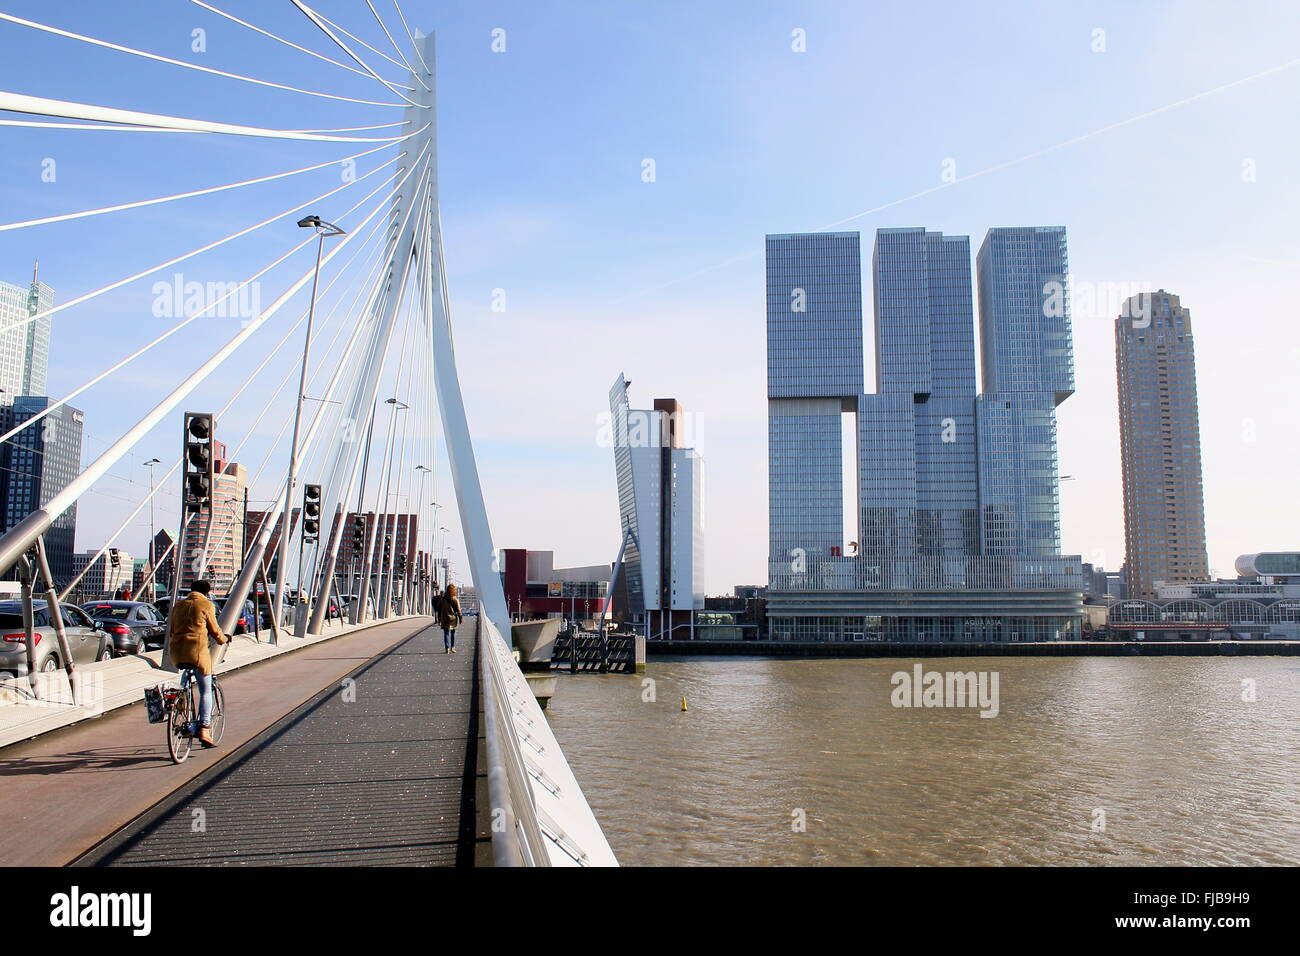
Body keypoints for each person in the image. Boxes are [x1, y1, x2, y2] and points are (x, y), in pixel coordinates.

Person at [168, 580, 230, 748]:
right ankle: (204, 728)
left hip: (176, 654)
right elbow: (215, 631)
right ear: (207, 592)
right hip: (197, 653)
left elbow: (173, 630)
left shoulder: (178, 606)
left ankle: (180, 708)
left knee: (185, 684)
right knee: (205, 691)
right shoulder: (206, 605)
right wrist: (224, 639)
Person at [436, 583, 462, 653]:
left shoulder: (442, 599)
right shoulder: (455, 599)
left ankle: (447, 648)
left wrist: (438, 619)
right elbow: (459, 610)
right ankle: (453, 647)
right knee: (453, 633)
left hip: (444, 618)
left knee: (446, 633)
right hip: (453, 618)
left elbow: (439, 609)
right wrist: (460, 618)